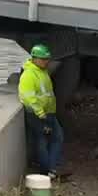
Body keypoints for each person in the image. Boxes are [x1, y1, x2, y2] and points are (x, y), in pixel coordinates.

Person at [18, 44, 62, 178]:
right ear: (34, 58)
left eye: (47, 59)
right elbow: (27, 97)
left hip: (48, 113)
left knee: (51, 138)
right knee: (45, 140)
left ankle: (50, 168)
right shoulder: (29, 75)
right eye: (43, 59)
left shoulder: (42, 72)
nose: (46, 62)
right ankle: (48, 170)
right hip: (38, 115)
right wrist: (40, 113)